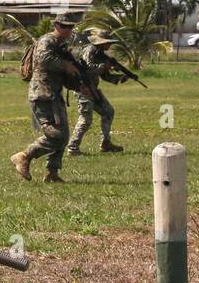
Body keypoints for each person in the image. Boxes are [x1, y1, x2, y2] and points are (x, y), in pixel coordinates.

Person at [10, 18, 89, 184]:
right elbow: (44, 59)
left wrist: (78, 84)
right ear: (56, 26)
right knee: (57, 135)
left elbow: (62, 76)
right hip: (42, 94)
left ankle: (52, 172)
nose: (68, 30)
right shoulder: (47, 40)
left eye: (70, 26)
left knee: (63, 134)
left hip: (53, 95)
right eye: (64, 26)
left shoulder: (61, 46)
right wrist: (66, 65)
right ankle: (24, 156)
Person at [68, 32, 126, 155]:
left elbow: (104, 76)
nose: (110, 45)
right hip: (83, 89)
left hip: (93, 89)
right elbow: (88, 70)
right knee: (85, 119)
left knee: (108, 112)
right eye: (108, 42)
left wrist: (119, 78)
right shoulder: (90, 50)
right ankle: (72, 147)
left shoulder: (100, 54)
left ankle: (106, 143)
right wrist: (104, 66)